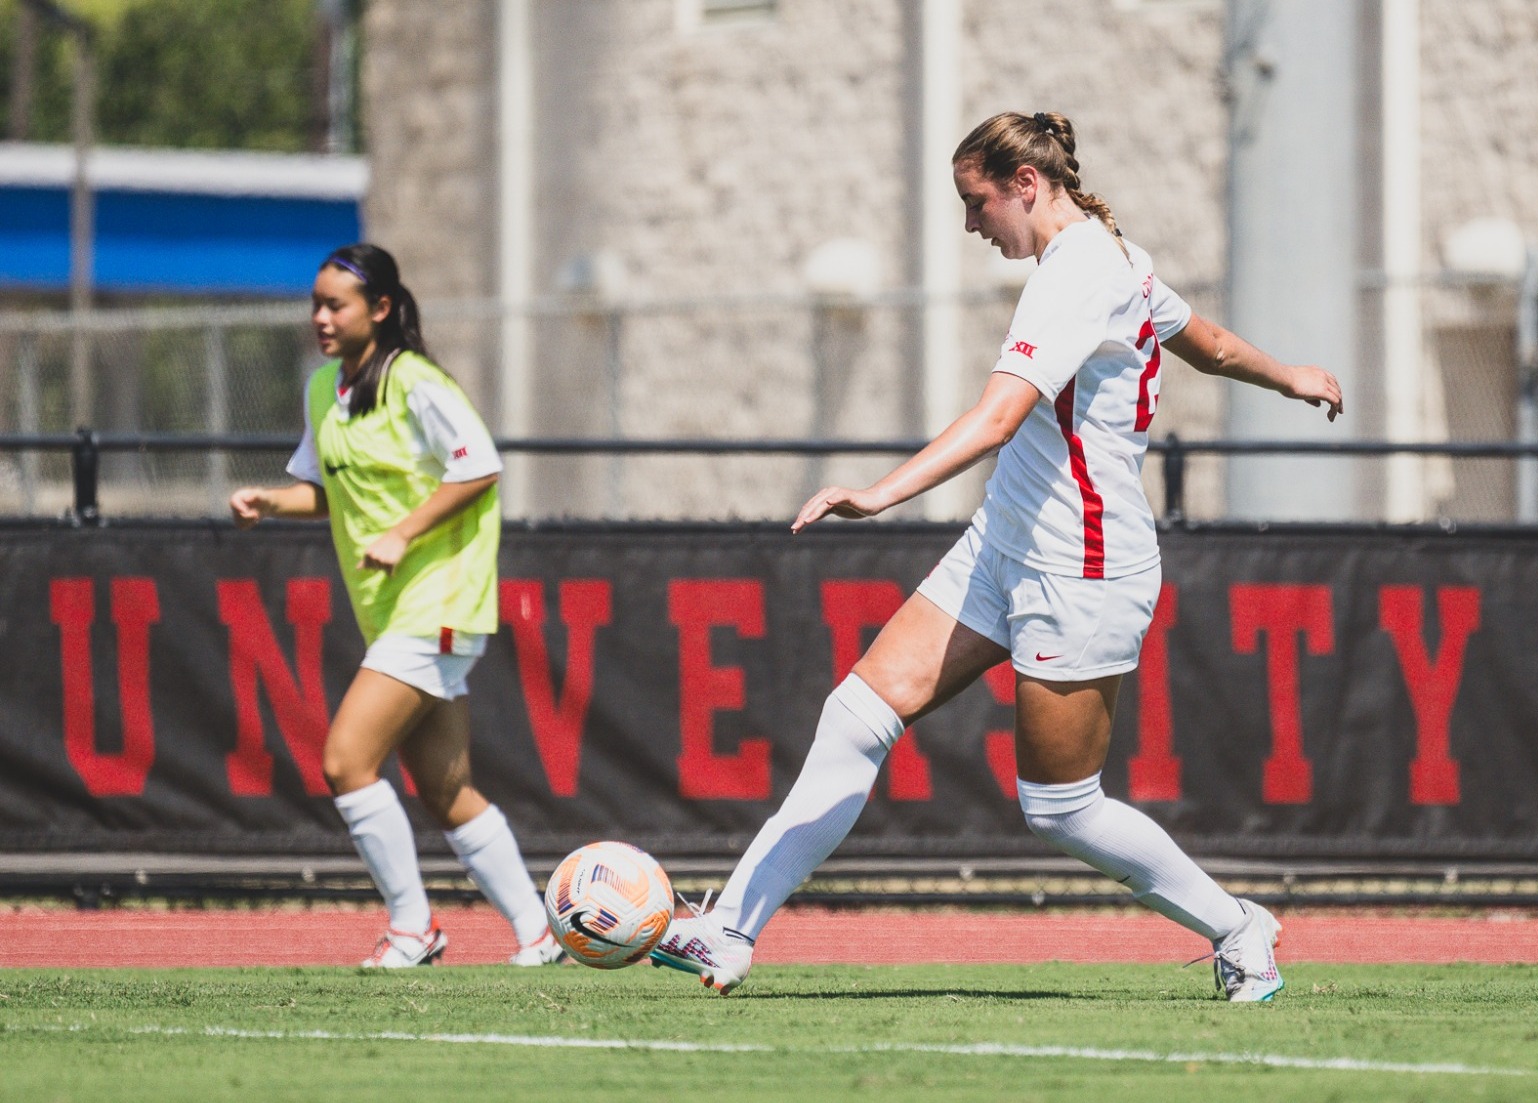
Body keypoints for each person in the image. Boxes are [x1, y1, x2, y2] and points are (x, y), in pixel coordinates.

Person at [652, 111, 1341, 1001]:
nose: (972, 224)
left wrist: (879, 492)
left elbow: (997, 417)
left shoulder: (1082, 271)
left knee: (1061, 807)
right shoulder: (1108, 257)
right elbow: (1200, 338)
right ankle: (730, 933)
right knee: (857, 712)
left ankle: (1237, 925)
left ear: (1025, 184)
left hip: (1082, 566)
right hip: (1005, 544)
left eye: (976, 202)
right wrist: (1288, 376)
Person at [229, 244, 562, 968]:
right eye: (316, 302)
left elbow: (479, 464)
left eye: (336, 304)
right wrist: (268, 501)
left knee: (347, 760)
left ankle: (413, 927)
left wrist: (403, 531)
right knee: (448, 791)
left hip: (439, 600)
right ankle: (540, 933)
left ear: (380, 309)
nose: (321, 316)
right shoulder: (326, 390)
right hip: (394, 611)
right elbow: (324, 488)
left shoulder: (415, 382)